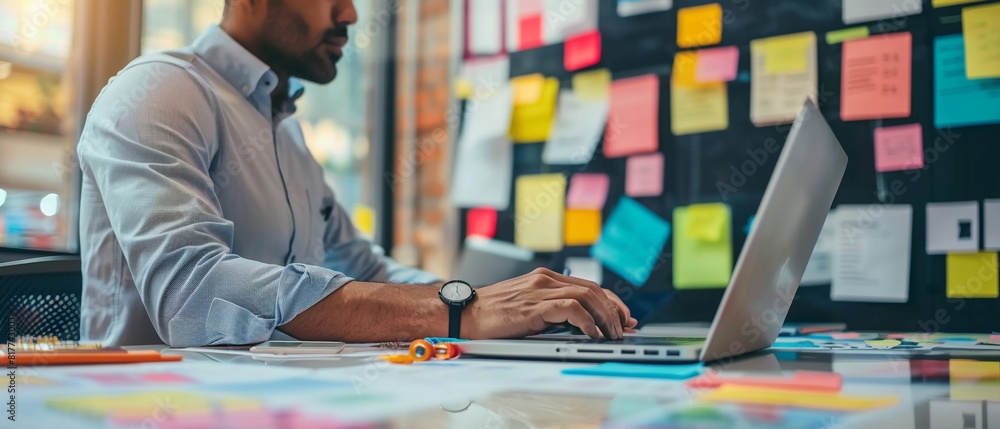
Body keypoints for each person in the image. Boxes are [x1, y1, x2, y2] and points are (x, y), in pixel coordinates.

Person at [77, 0, 636, 347]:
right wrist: (461, 307)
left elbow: (364, 266)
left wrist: (500, 305)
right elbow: (193, 294)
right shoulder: (157, 91)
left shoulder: (286, 131)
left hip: (266, 403)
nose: (350, 14)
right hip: (151, 408)